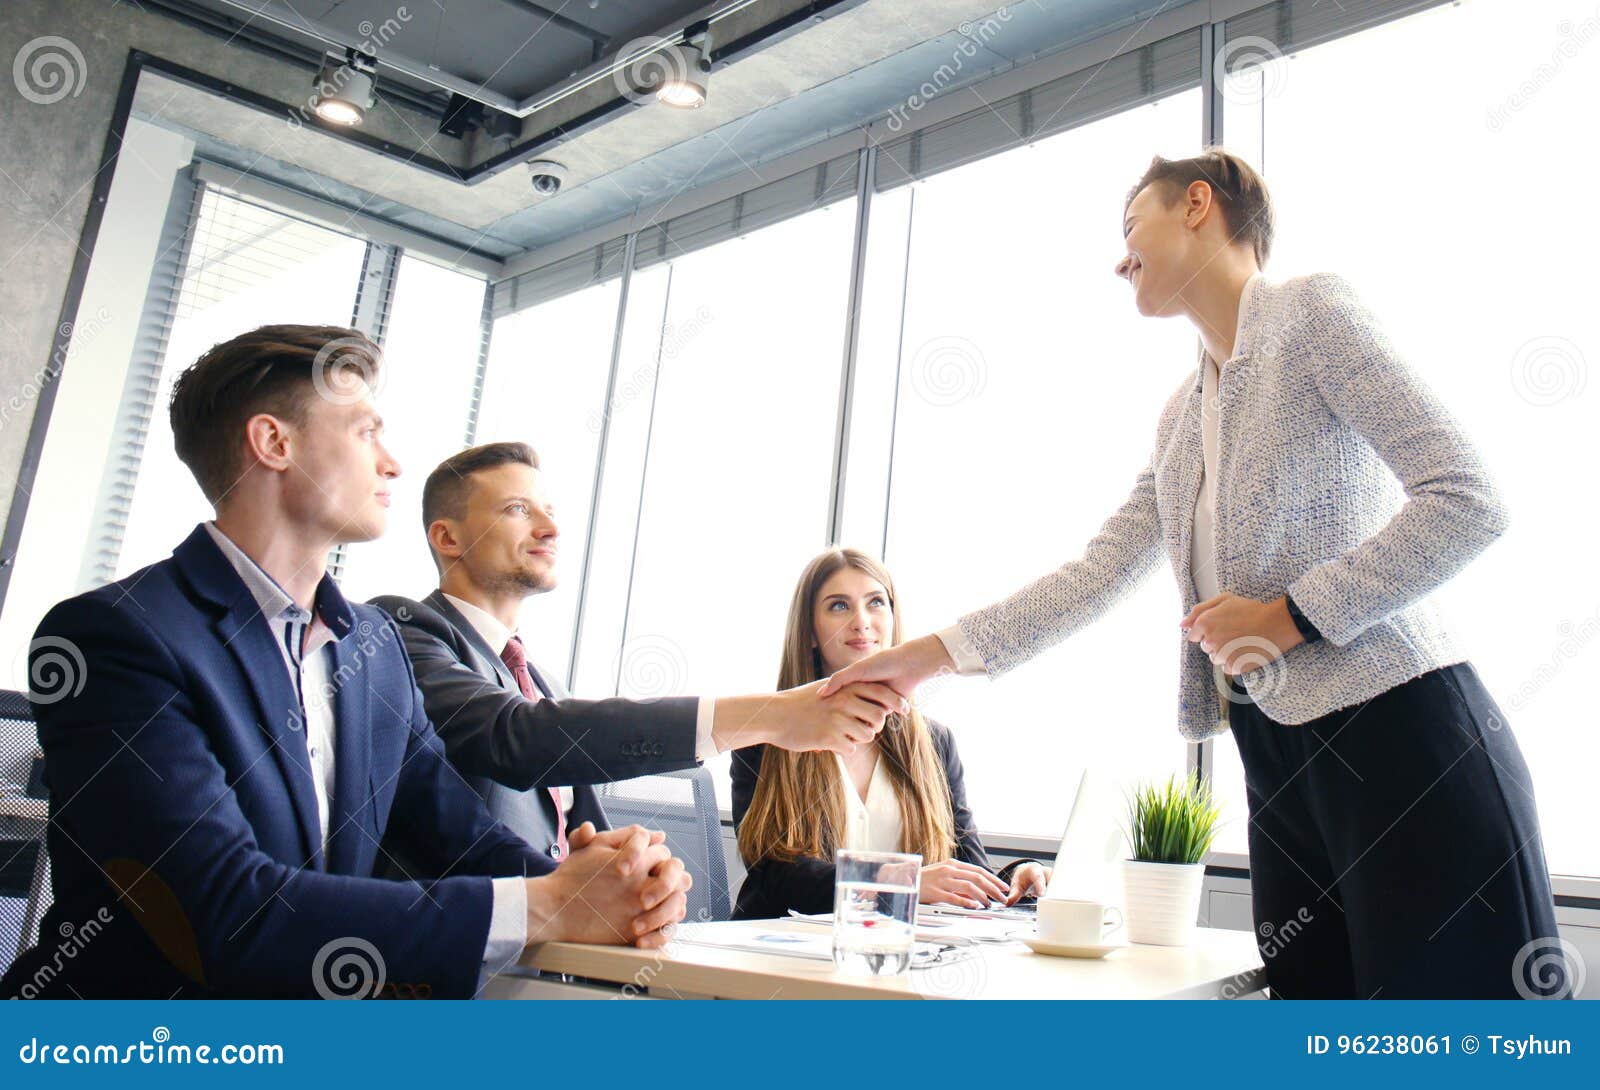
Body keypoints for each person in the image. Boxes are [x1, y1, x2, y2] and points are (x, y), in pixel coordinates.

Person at [821, 150, 1565, 999]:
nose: (1119, 255)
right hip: (1277, 754)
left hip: (1402, 734)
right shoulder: (1183, 413)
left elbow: (1470, 499)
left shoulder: (1311, 314)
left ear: (1198, 205)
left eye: (1130, 225)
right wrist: (926, 657)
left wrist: (1294, 614)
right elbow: (1097, 572)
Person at [0, 325, 688, 1000]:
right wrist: (548, 903)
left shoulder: (372, 647)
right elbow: (223, 911)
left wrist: (605, 878)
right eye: (366, 432)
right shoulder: (117, 636)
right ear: (274, 442)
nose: (391, 463)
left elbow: (460, 837)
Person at [372, 443, 903, 865]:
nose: (551, 529)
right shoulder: (404, 631)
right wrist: (768, 715)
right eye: (517, 509)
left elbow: (577, 838)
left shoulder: (540, 681)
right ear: (447, 537)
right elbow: (513, 737)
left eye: (550, 512)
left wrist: (624, 865)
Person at [731, 548, 1050, 919]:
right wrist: (903, 881)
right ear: (810, 633)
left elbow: (965, 864)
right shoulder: (766, 733)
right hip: (780, 956)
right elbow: (778, 876)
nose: (861, 621)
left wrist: (1017, 877)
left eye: (876, 603)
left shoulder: (933, 743)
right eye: (839, 606)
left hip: (898, 958)